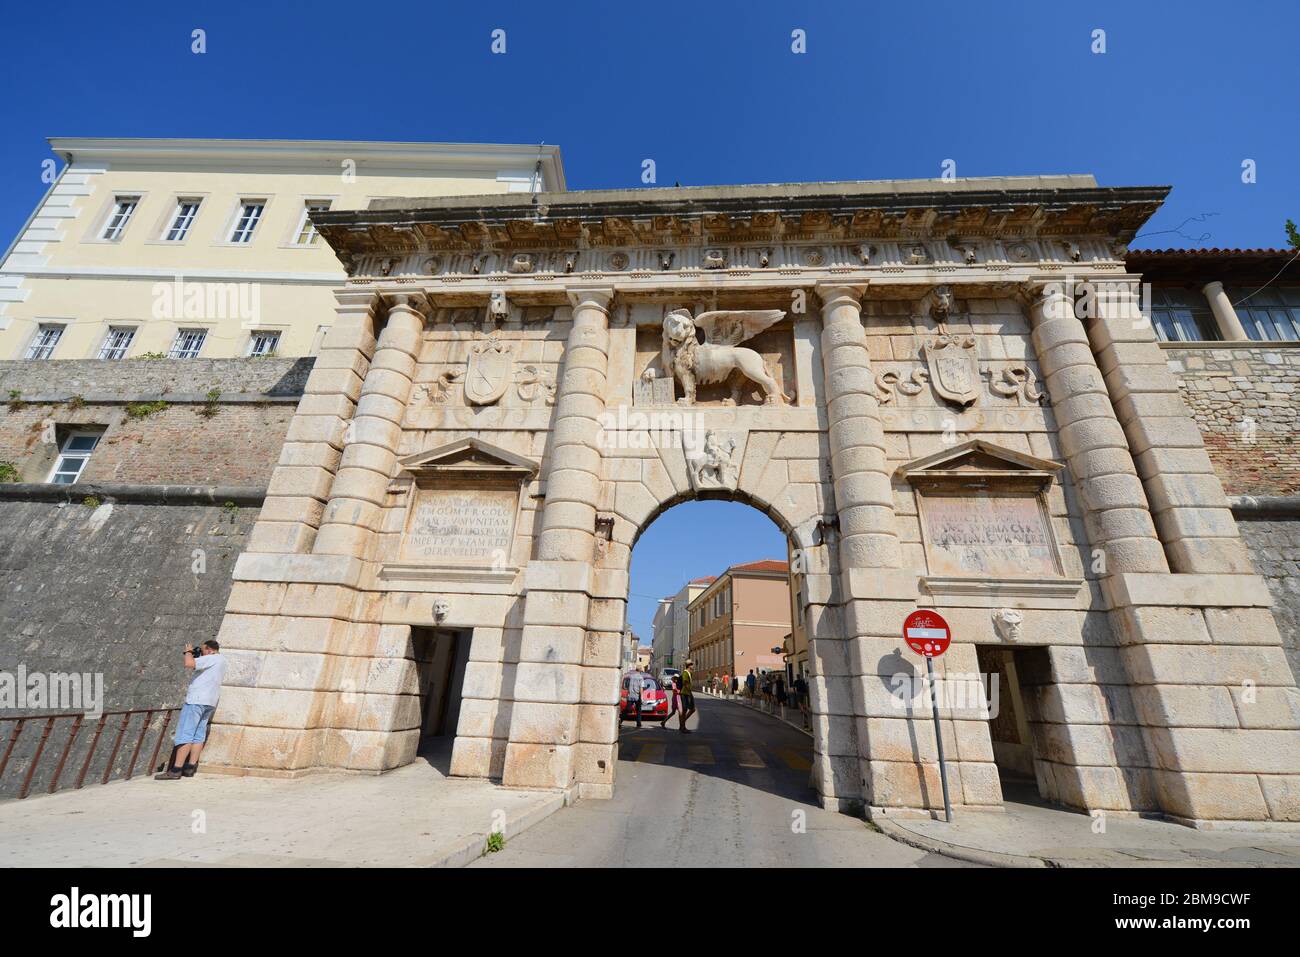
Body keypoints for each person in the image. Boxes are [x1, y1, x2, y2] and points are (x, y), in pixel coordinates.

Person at [156, 640, 226, 780]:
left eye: (203, 649)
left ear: (209, 649)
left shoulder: (210, 658)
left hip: (196, 701)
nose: (201, 652)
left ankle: (176, 770)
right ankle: (190, 768)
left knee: (185, 733)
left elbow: (189, 663)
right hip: (210, 702)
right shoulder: (222, 660)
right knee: (198, 735)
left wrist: (188, 652)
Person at [677, 659, 696, 733]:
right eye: (692, 665)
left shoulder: (689, 673)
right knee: (685, 710)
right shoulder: (685, 673)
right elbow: (685, 682)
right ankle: (683, 727)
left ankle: (682, 724)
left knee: (692, 709)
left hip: (688, 693)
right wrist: (689, 689)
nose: (693, 666)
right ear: (689, 666)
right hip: (685, 693)